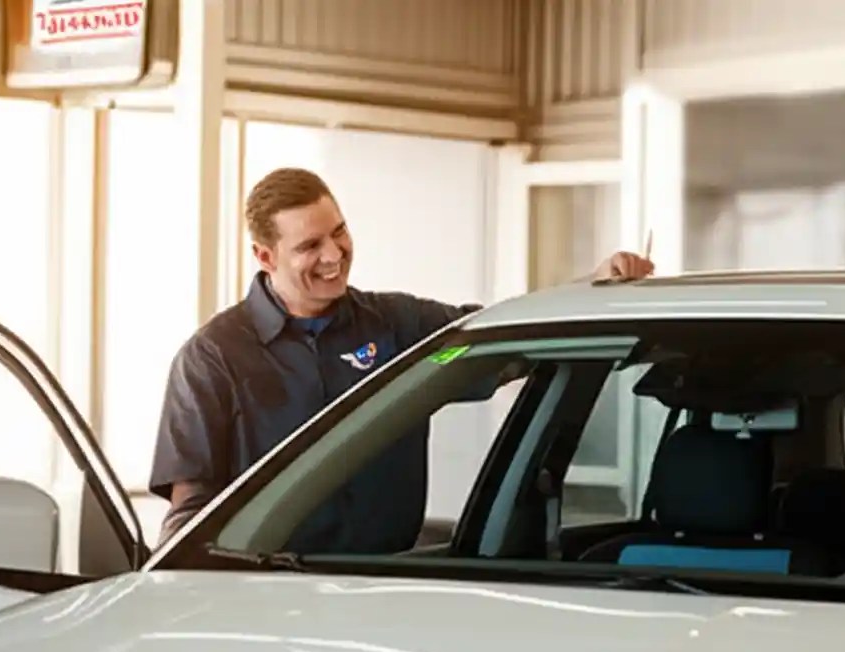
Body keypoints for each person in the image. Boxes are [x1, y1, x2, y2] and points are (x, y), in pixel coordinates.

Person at [149, 167, 654, 549]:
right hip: (266, 594)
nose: (334, 255)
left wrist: (593, 283)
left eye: (339, 232)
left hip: (388, 584)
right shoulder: (213, 358)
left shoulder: (398, 325)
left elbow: (508, 337)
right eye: (310, 245)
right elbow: (191, 506)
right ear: (265, 256)